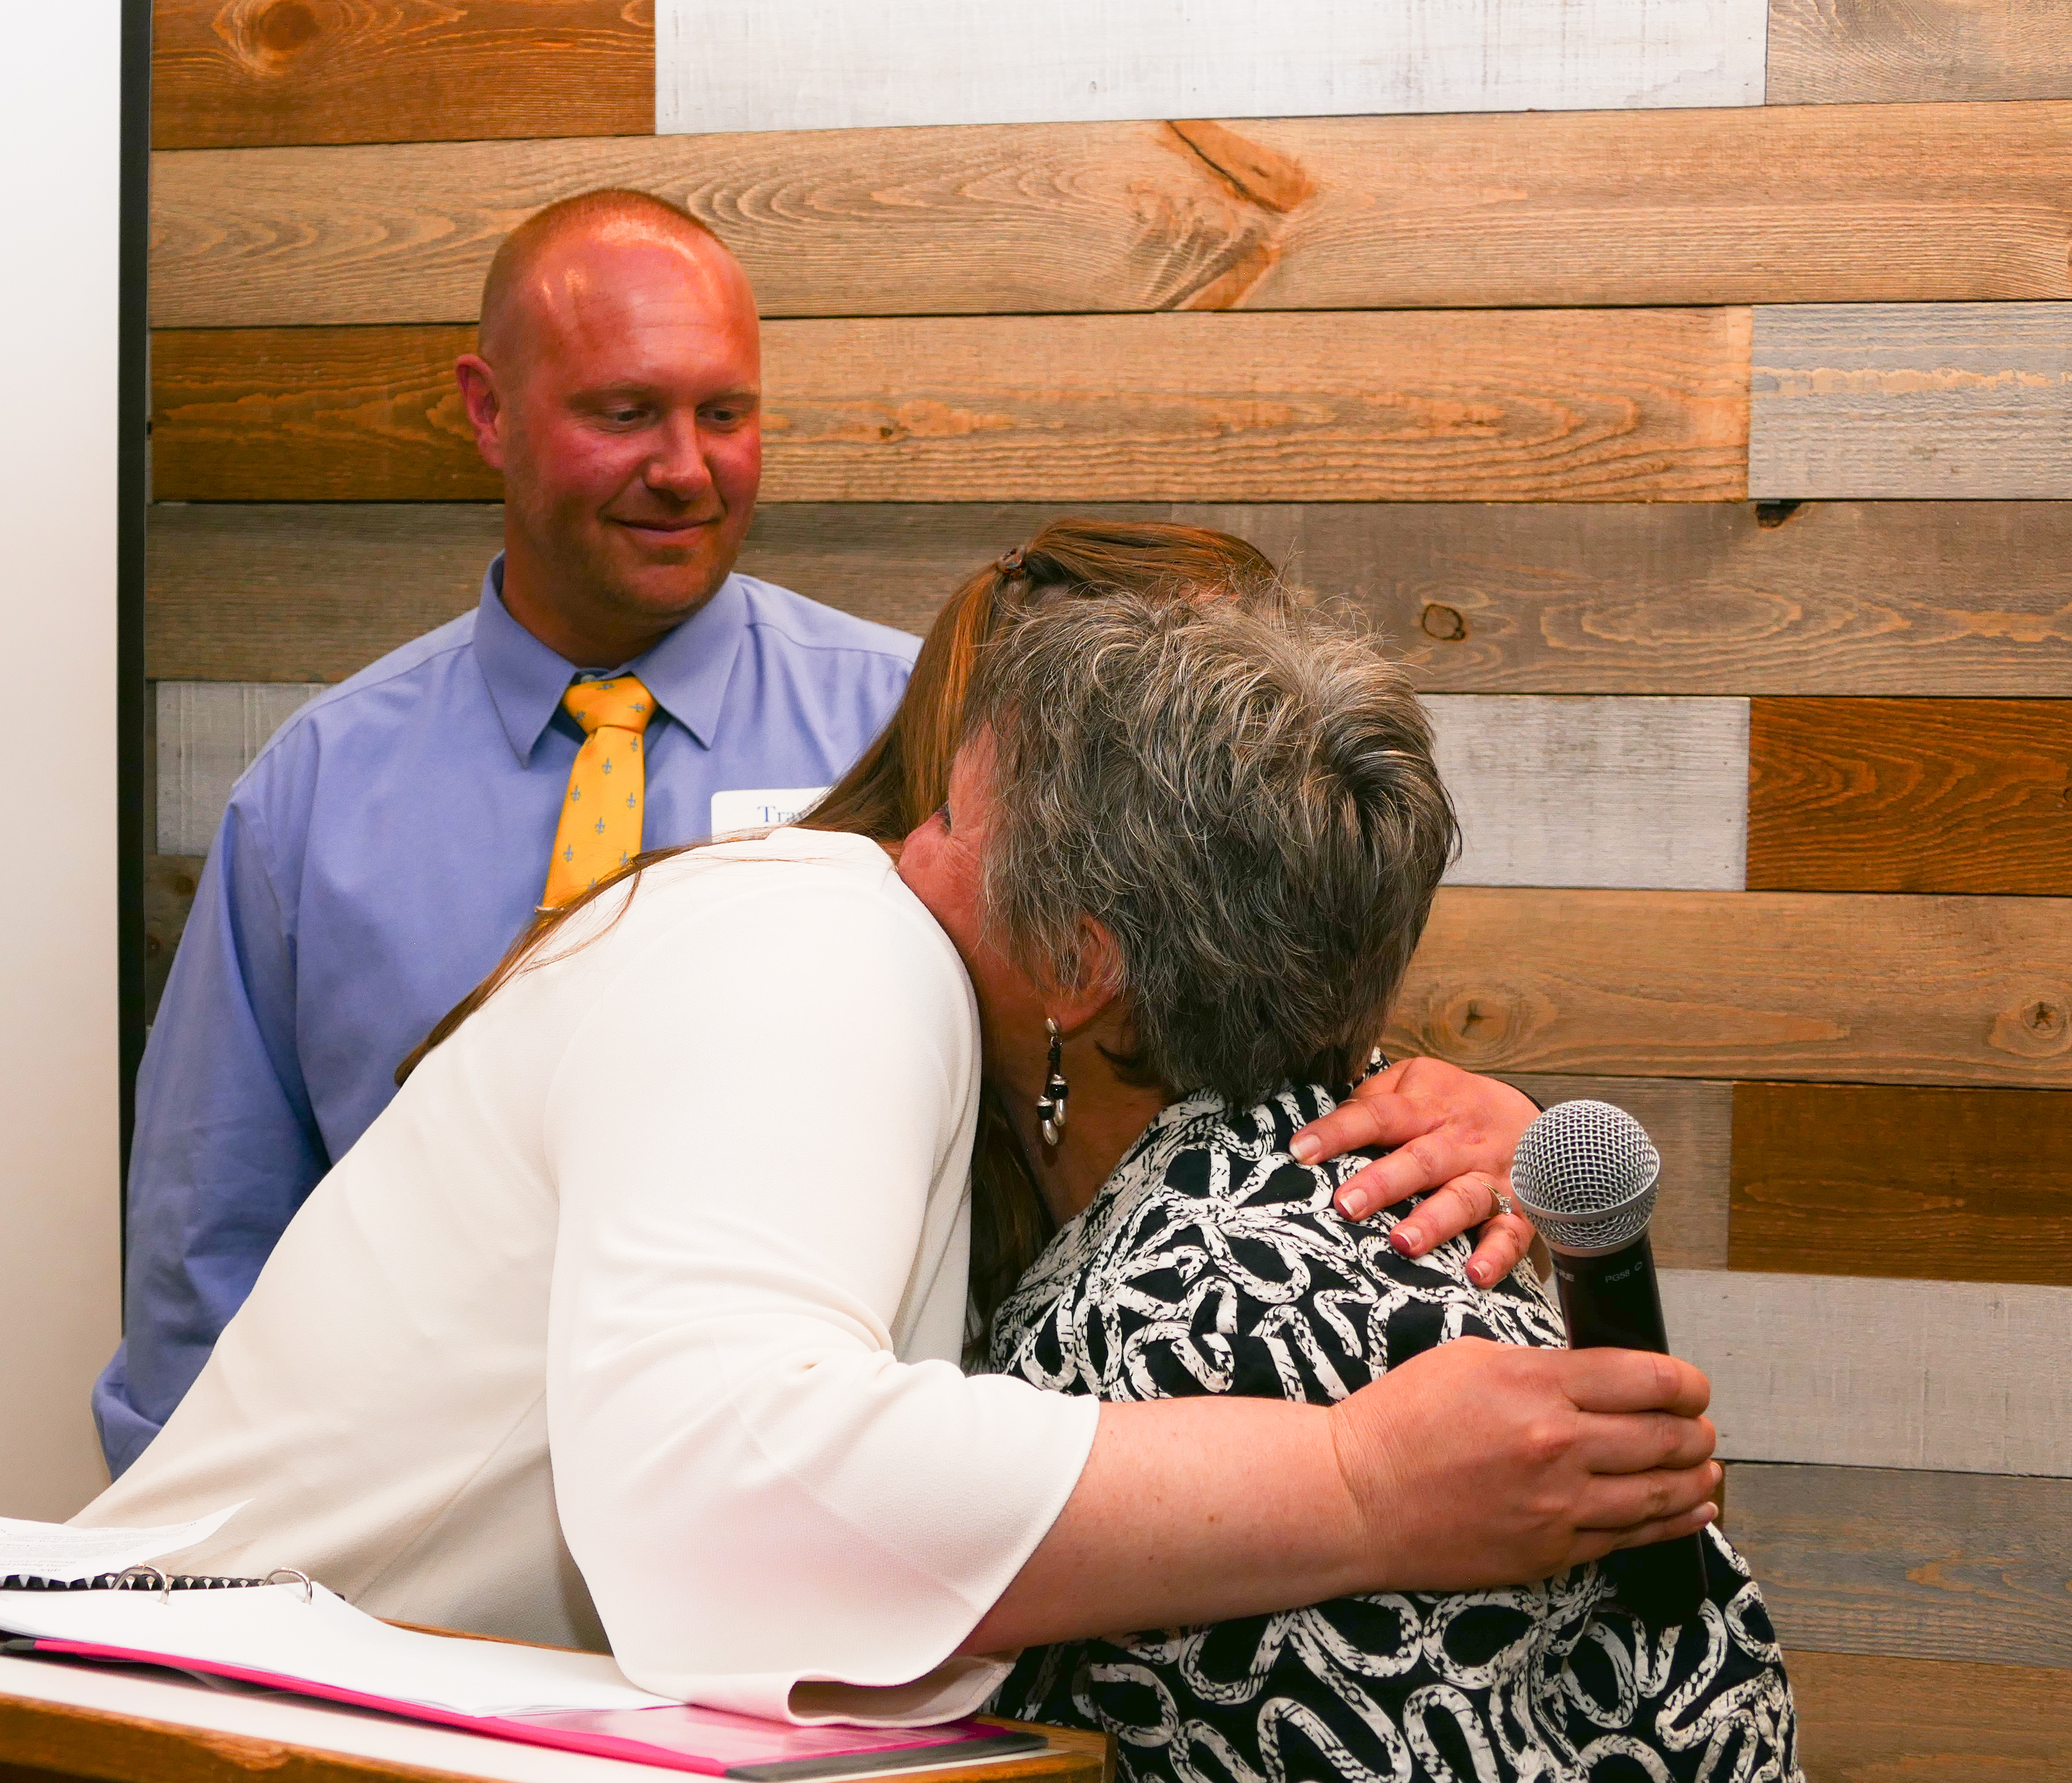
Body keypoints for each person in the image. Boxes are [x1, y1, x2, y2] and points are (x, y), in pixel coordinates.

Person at [77, 525, 1721, 1732]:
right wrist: (1363, 1480)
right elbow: (726, 1492)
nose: (915, 822)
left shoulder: (958, 995)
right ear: (1083, 965)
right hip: (182, 1730)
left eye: (967, 797)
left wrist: (1439, 1101)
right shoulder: (828, 939)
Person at [98, 190, 1537, 1475]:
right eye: (624, 413)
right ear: (486, 411)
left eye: (725, 413)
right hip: (418, 1562)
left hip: (822, 1524)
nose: (686, 467)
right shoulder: (313, 795)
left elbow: (1205, 1019)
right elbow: (205, 1249)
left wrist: (1467, 1119)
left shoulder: (939, 735)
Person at [904, 592, 1793, 1774]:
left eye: (949, 816)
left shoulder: (1146, 1330)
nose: (901, 850)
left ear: (1076, 958)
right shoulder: (1405, 1198)